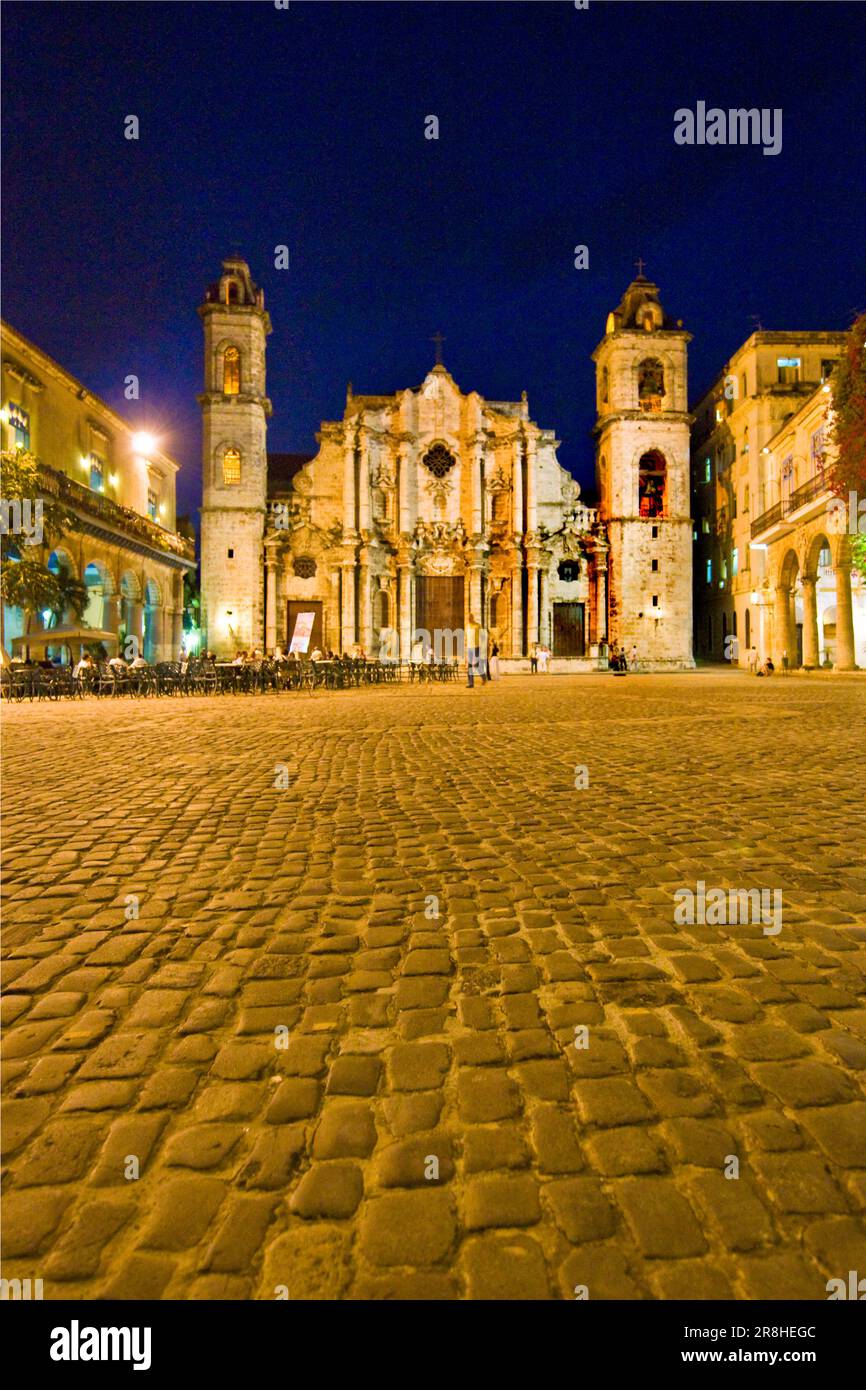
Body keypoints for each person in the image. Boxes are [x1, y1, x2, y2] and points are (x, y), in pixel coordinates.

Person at [465, 614, 482, 688]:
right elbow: (466, 638)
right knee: (469, 666)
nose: (468, 619)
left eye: (469, 618)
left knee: (476, 665)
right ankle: (471, 683)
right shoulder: (467, 626)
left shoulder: (478, 626)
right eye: (467, 618)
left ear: (472, 618)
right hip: (469, 648)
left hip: (476, 647)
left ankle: (484, 677)